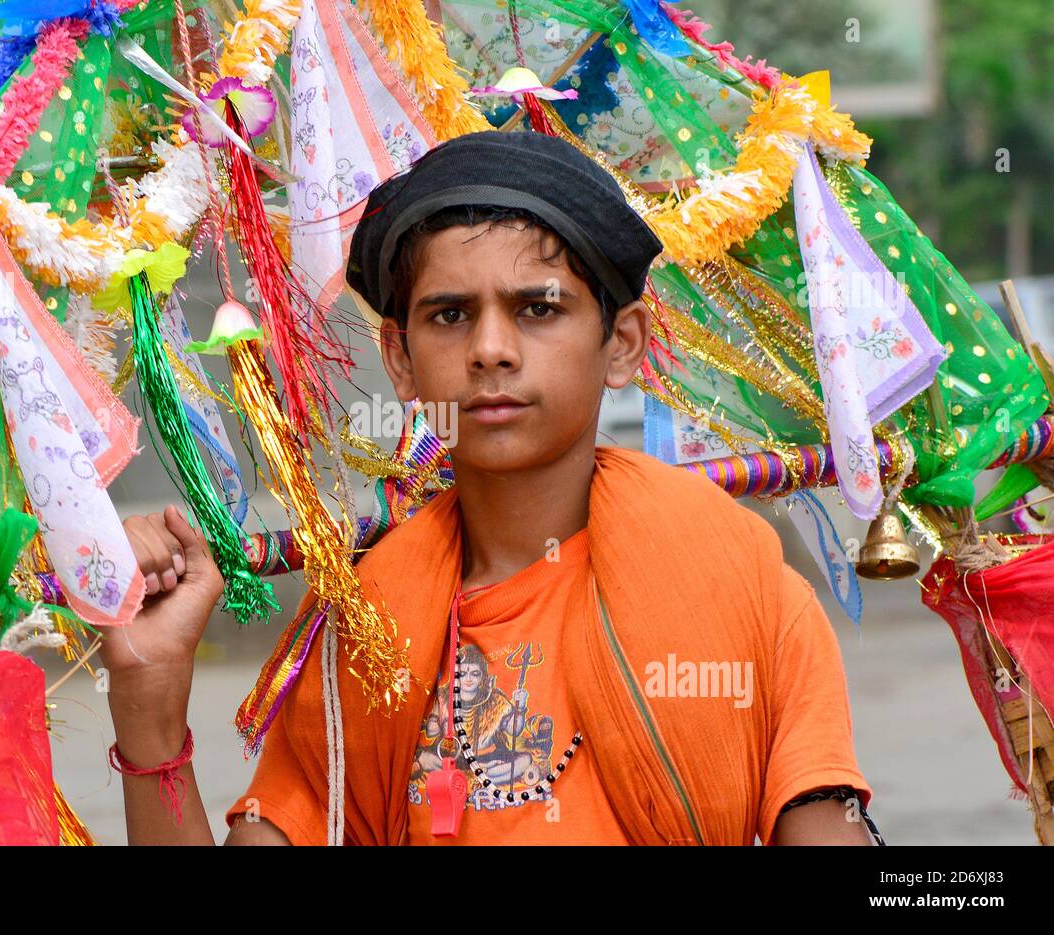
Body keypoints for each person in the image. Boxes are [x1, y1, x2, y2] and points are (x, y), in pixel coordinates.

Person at [97, 131, 878, 845]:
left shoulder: (743, 587)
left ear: (624, 344)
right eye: (450, 315)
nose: (492, 350)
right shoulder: (363, 635)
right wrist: (149, 700)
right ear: (399, 360)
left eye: (539, 308)